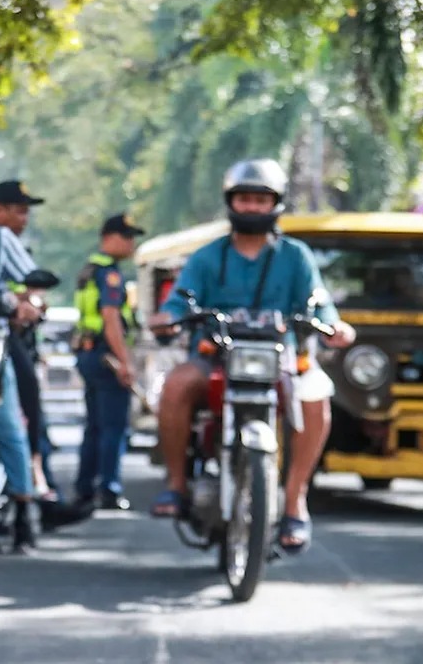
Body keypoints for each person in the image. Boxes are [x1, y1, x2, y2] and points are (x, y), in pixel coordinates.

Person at [148, 158, 356, 555]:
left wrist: (334, 326)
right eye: (244, 199)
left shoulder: (296, 256)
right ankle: (175, 484)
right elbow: (180, 301)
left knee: (317, 397)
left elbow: (319, 303)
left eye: (261, 200)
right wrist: (169, 318)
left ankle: (295, 500)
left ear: (275, 203)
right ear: (231, 202)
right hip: (216, 358)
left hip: (280, 359)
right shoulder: (207, 257)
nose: (252, 207)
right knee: (175, 385)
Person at [0, 180, 92, 541]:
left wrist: (27, 305)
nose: (25, 218)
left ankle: (29, 499)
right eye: (20, 210)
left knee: (19, 415)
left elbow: (34, 288)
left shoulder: (0, 242)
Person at [71, 214, 146, 511]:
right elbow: (111, 317)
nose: (131, 243)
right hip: (106, 357)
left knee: (95, 427)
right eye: (127, 236)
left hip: (89, 354)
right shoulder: (109, 274)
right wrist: (125, 363)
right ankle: (109, 489)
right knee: (113, 427)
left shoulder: (90, 269)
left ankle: (85, 488)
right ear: (109, 238)